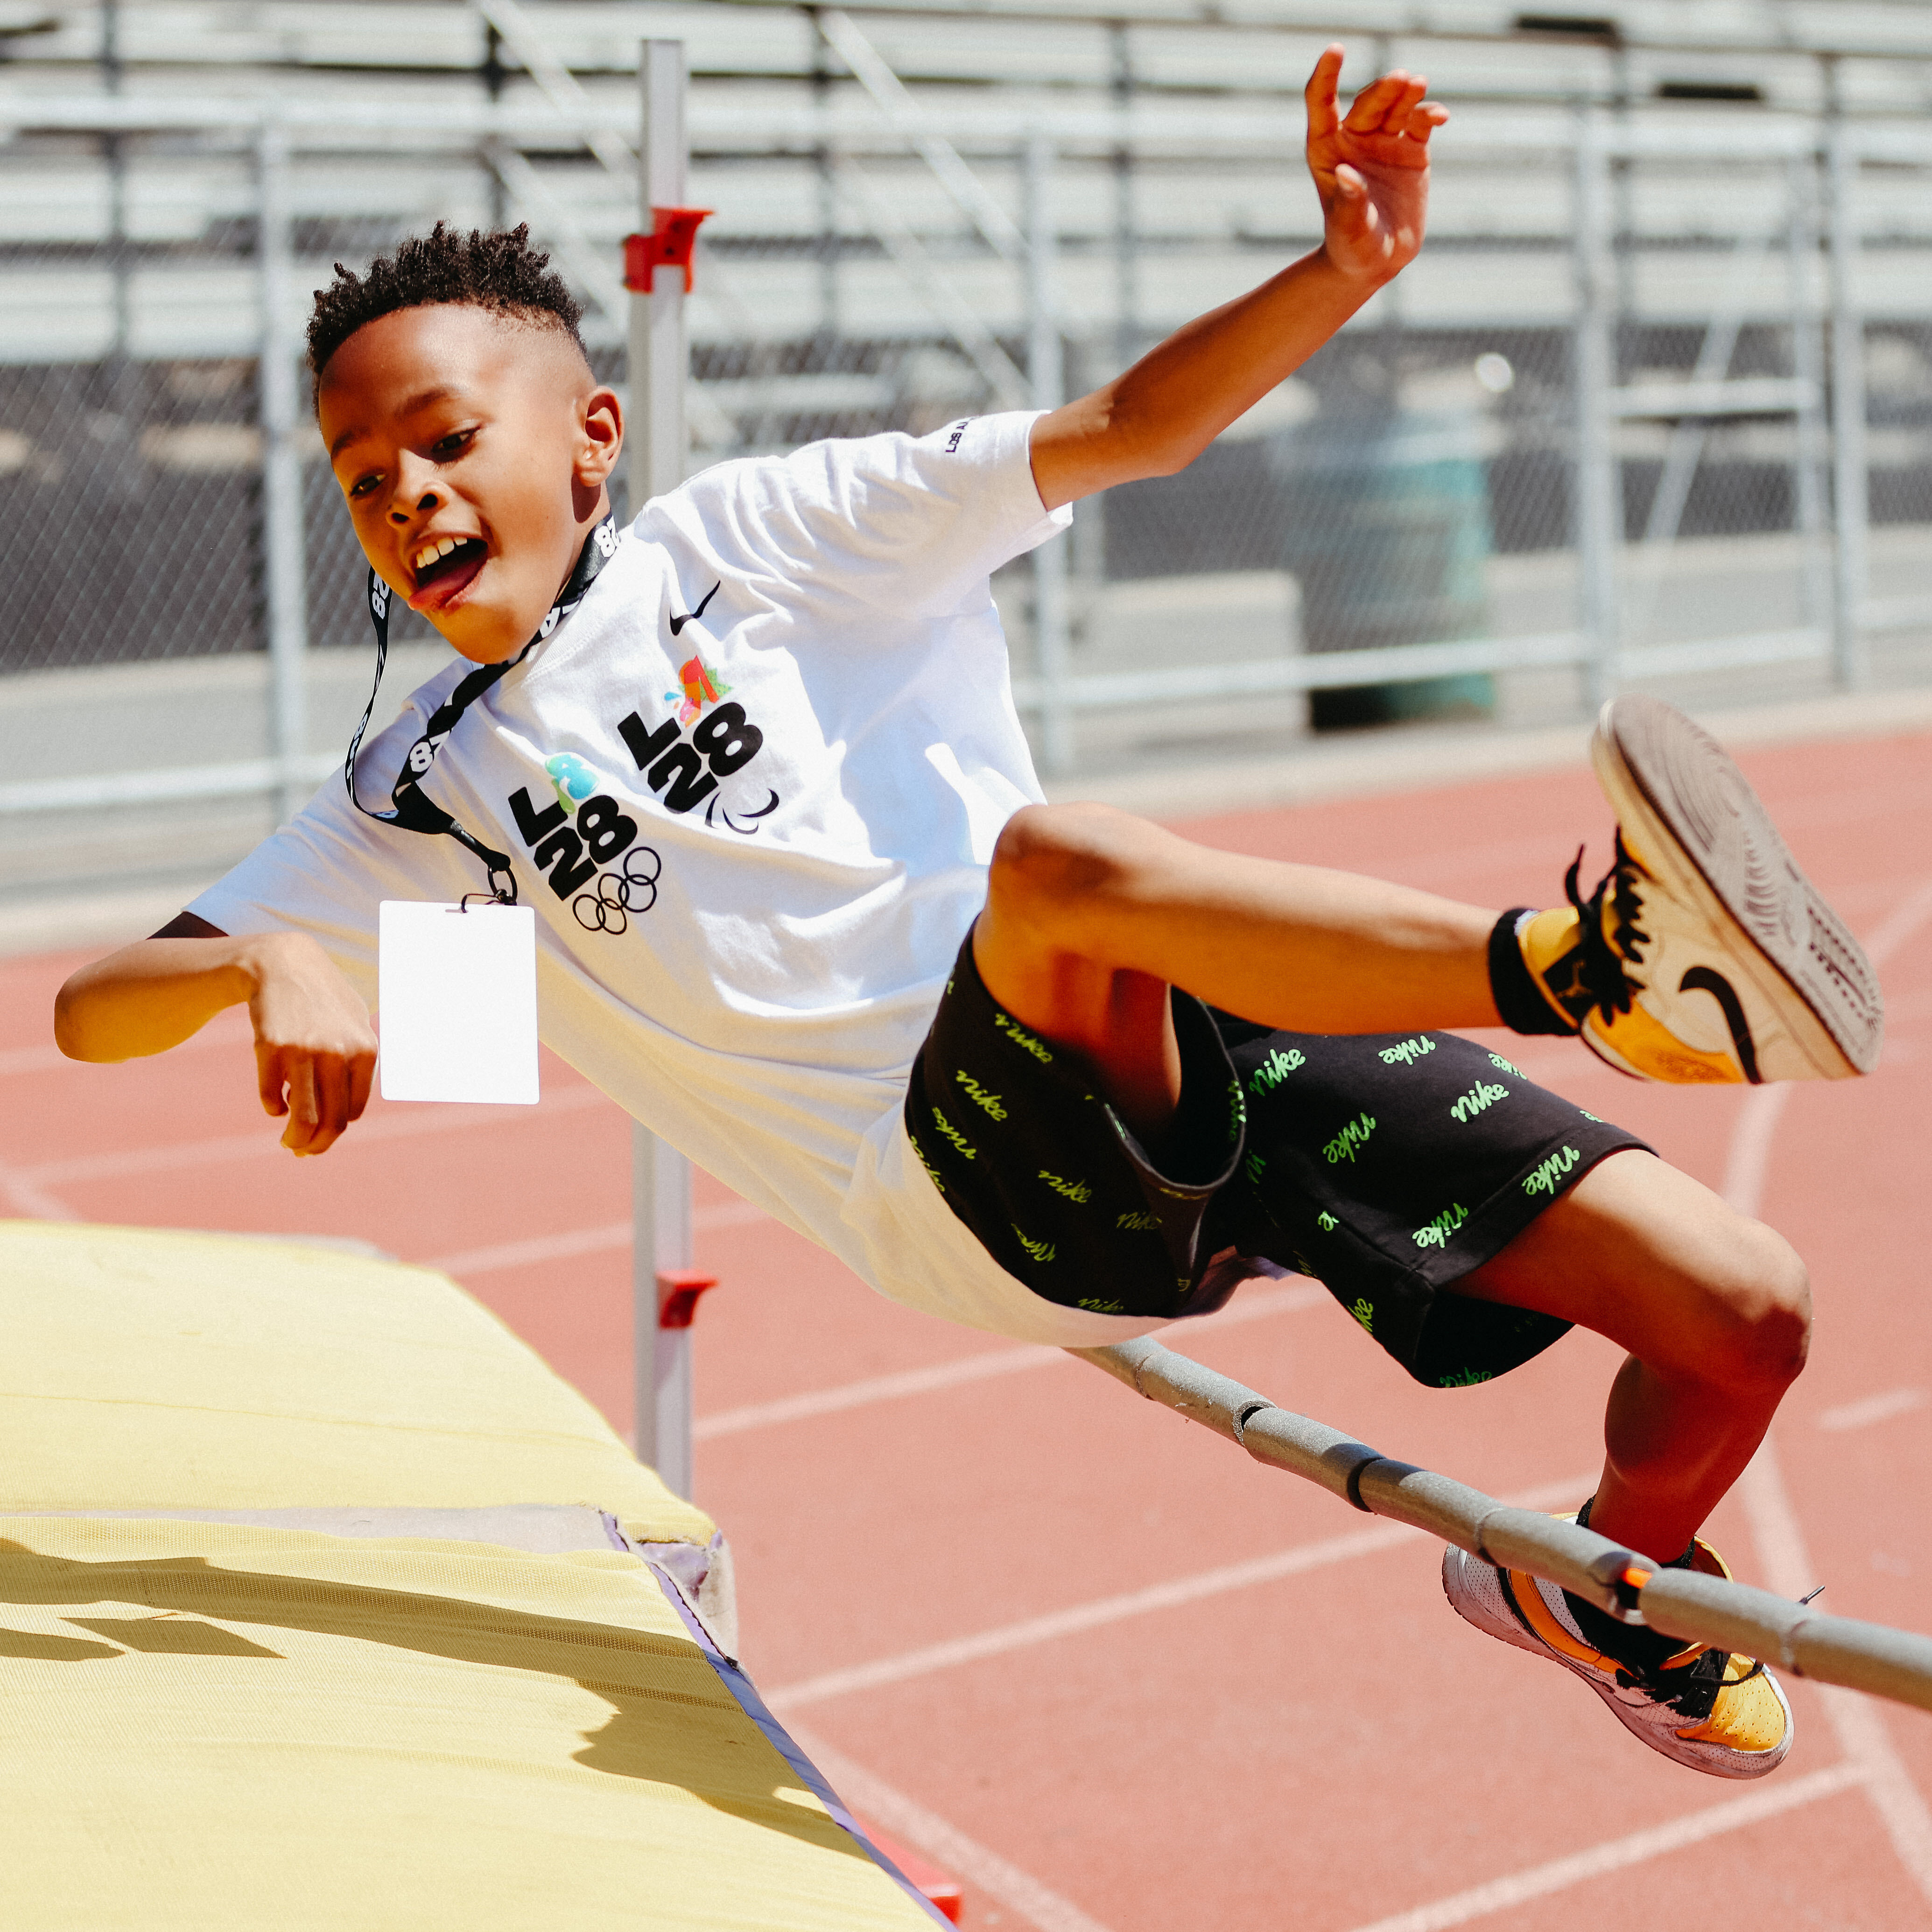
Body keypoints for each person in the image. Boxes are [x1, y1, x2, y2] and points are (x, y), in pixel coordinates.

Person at [53, 49, 1882, 1781]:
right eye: (364, 481)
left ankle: (1599, 1586)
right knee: (1057, 866)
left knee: (1744, 1310)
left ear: (594, 435)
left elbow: (1132, 429)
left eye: (446, 440)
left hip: (1162, 1021)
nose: (409, 497)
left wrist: (1343, 268)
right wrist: (273, 954)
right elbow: (92, 1012)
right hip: (960, 1192)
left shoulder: (764, 538)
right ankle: (1587, 971)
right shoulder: (423, 789)